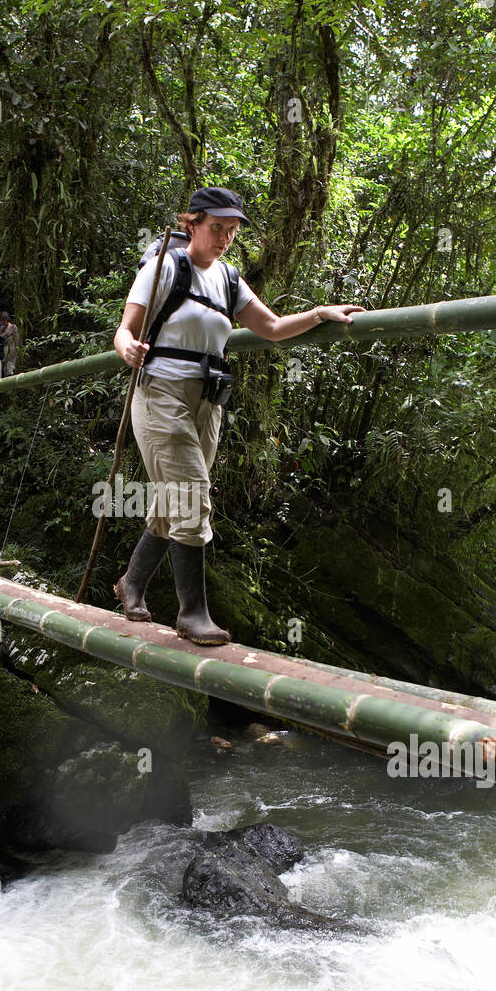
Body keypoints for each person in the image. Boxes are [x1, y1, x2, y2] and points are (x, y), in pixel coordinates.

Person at [113, 186, 363, 646]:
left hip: (208, 402)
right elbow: (125, 329)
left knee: (176, 500)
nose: (225, 238)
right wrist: (128, 347)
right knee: (193, 494)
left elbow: (270, 328)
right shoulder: (165, 266)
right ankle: (192, 614)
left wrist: (319, 313)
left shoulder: (229, 279)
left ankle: (132, 582)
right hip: (162, 393)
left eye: (232, 231)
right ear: (192, 224)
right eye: (217, 228)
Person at [0, 311, 19, 376]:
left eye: (3, 320)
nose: (2, 322)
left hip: (11, 349)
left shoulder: (13, 327)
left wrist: (16, 351)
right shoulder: (1, 328)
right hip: (3, 350)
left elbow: (16, 341)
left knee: (9, 368)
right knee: (3, 369)